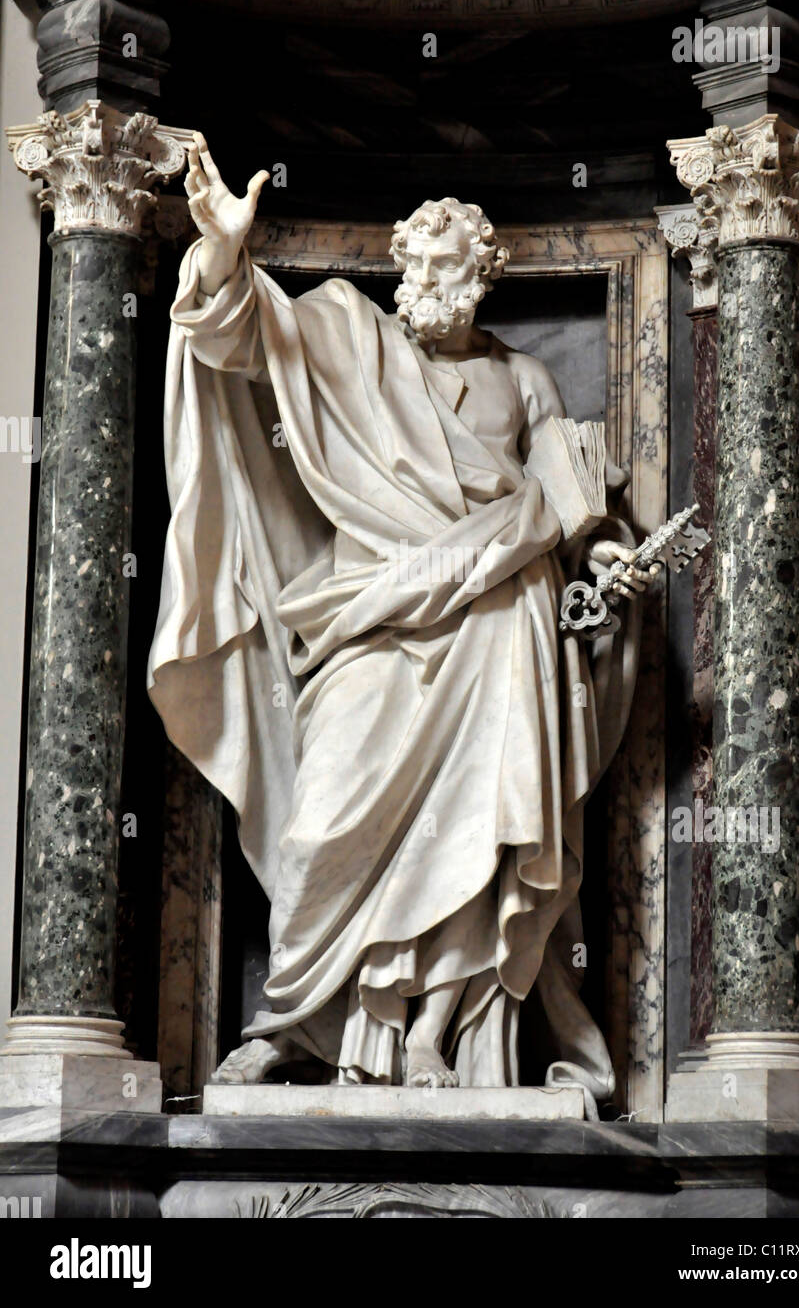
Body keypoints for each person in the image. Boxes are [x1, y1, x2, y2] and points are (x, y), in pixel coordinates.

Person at [148, 134, 653, 1103]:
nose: (428, 279)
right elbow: (239, 335)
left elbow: (568, 505)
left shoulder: (524, 382)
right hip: (367, 618)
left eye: (450, 265)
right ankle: (297, 1017)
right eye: (415, 261)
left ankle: (430, 1035)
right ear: (397, 267)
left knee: (485, 826)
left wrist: (606, 559)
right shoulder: (350, 337)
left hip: (501, 625)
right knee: (322, 819)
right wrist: (220, 250)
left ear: (482, 278)